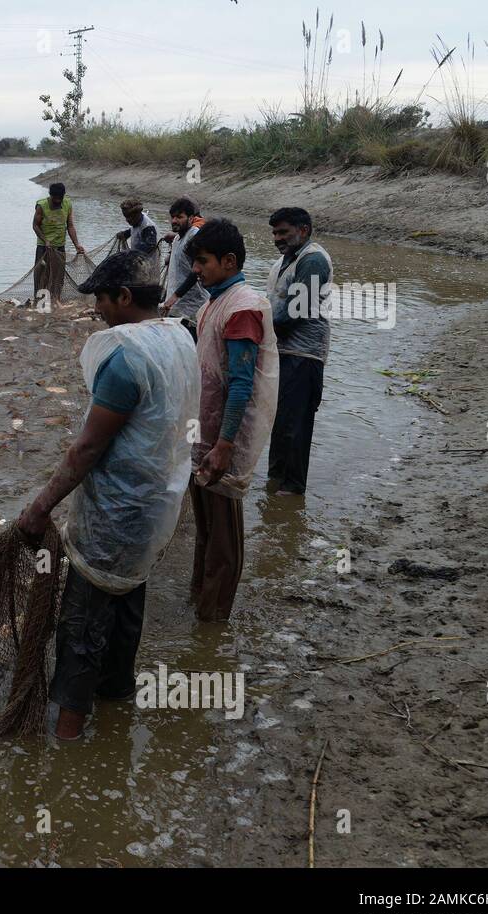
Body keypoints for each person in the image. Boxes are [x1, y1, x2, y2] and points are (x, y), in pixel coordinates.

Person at [18, 250, 199, 740]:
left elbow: (87, 447)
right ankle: (115, 703)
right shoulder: (179, 336)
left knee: (81, 627)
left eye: (100, 297)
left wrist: (39, 509)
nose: (96, 308)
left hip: (115, 515)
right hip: (155, 507)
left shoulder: (126, 356)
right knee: (126, 607)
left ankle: (69, 738)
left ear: (123, 296)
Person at [185, 219, 278, 622]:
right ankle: (199, 605)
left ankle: (213, 622)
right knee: (205, 530)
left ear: (229, 261)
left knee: (223, 538)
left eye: (202, 262)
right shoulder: (213, 303)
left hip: (225, 440)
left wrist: (224, 445)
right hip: (205, 434)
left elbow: (241, 384)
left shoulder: (242, 307)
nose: (196, 270)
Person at [265, 207, 333, 496]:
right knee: (279, 419)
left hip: (304, 355)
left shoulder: (313, 260)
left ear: (303, 230)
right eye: (275, 233)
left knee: (295, 422)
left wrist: (259, 330)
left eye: (283, 232)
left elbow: (298, 310)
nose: (277, 238)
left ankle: (292, 488)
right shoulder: (287, 260)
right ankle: (275, 479)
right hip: (284, 350)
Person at [158, 196, 208, 337]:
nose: (174, 221)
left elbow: (196, 271)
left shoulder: (194, 236)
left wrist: (174, 296)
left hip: (192, 307)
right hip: (176, 306)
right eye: (173, 217)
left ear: (191, 218)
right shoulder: (177, 238)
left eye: (179, 217)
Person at [32, 182, 86, 308]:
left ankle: (56, 301)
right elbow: (35, 225)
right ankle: (40, 304)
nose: (57, 201)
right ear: (50, 195)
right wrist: (45, 240)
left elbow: (70, 226)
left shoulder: (67, 203)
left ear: (63, 196)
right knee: (42, 276)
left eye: (59, 199)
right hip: (43, 247)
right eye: (54, 199)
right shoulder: (42, 205)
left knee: (58, 276)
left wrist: (77, 244)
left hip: (60, 247)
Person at [115, 198, 159, 271]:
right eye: (126, 217)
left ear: (137, 214)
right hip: (137, 263)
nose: (127, 220)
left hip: (147, 267)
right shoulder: (136, 221)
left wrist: (130, 254)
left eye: (129, 217)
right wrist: (125, 234)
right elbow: (134, 230)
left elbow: (151, 245)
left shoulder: (148, 227)